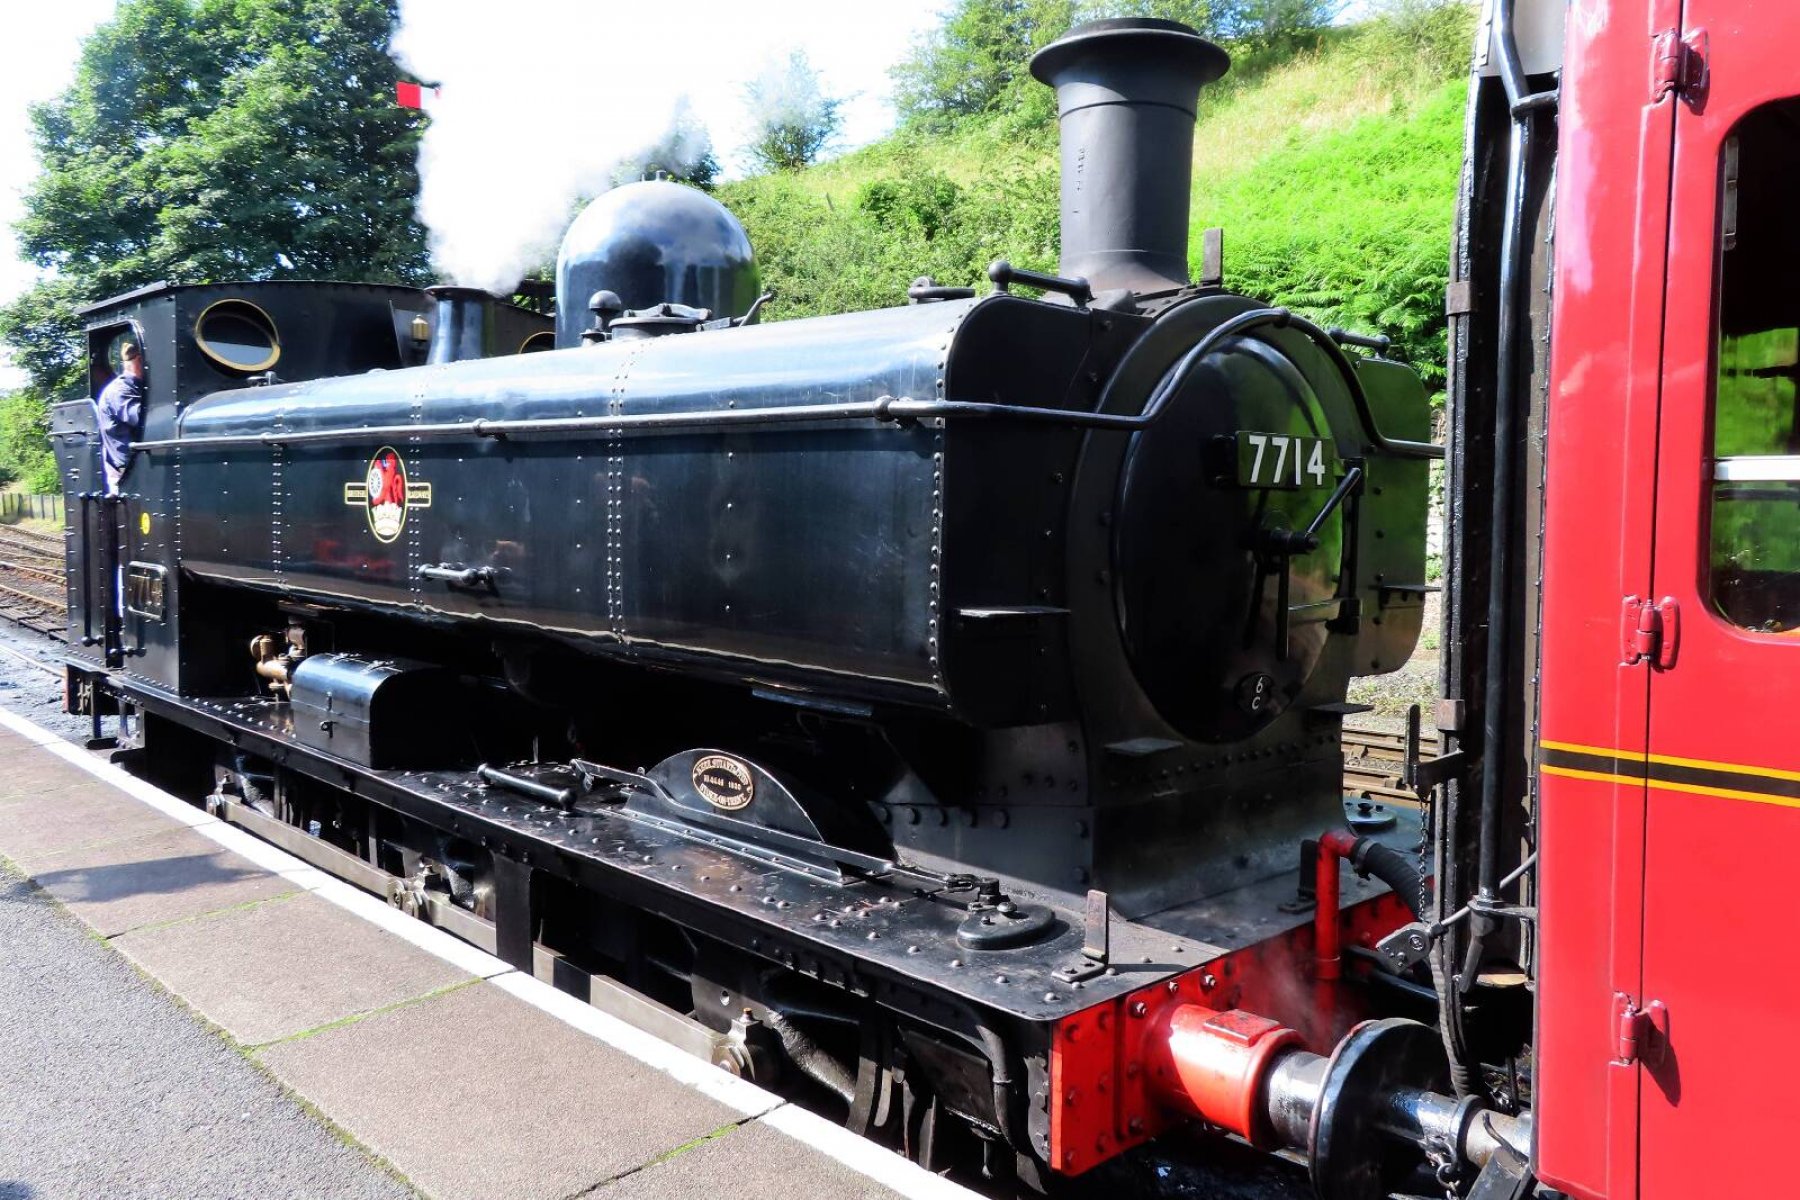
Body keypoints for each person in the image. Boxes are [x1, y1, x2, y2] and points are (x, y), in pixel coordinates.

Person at [97, 341, 145, 494]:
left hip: (137, 467)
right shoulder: (119, 391)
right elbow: (142, 419)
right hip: (126, 473)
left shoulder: (136, 387)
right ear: (139, 360)